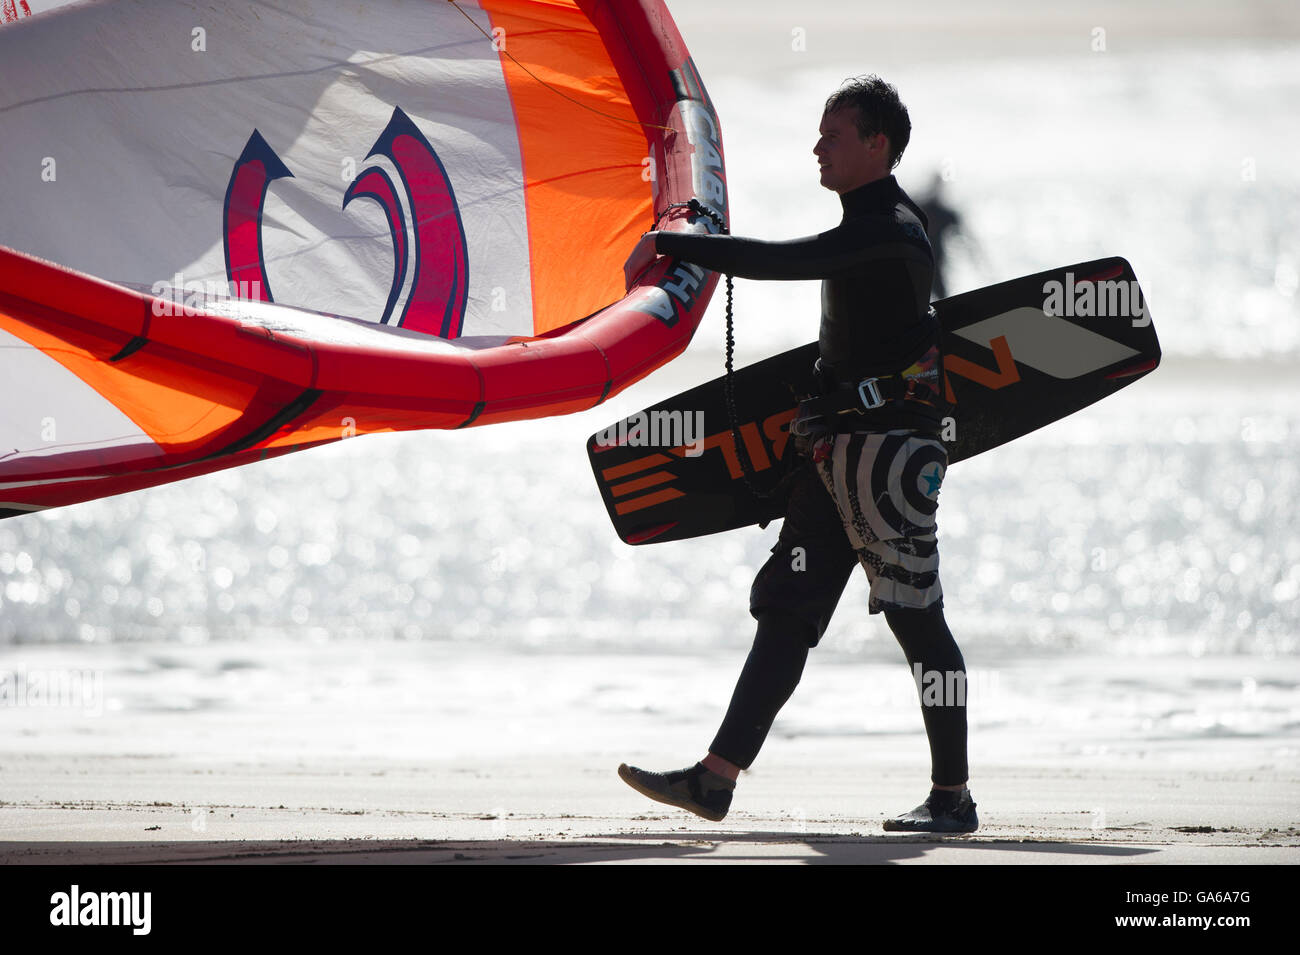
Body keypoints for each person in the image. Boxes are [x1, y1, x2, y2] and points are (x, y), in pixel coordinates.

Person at [617, 75, 977, 833]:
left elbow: (785, 259)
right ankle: (715, 778)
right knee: (787, 612)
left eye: (833, 134)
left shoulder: (889, 227)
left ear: (877, 145)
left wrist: (676, 243)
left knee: (919, 622)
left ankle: (952, 797)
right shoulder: (868, 223)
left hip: (886, 460)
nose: (818, 146)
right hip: (835, 453)